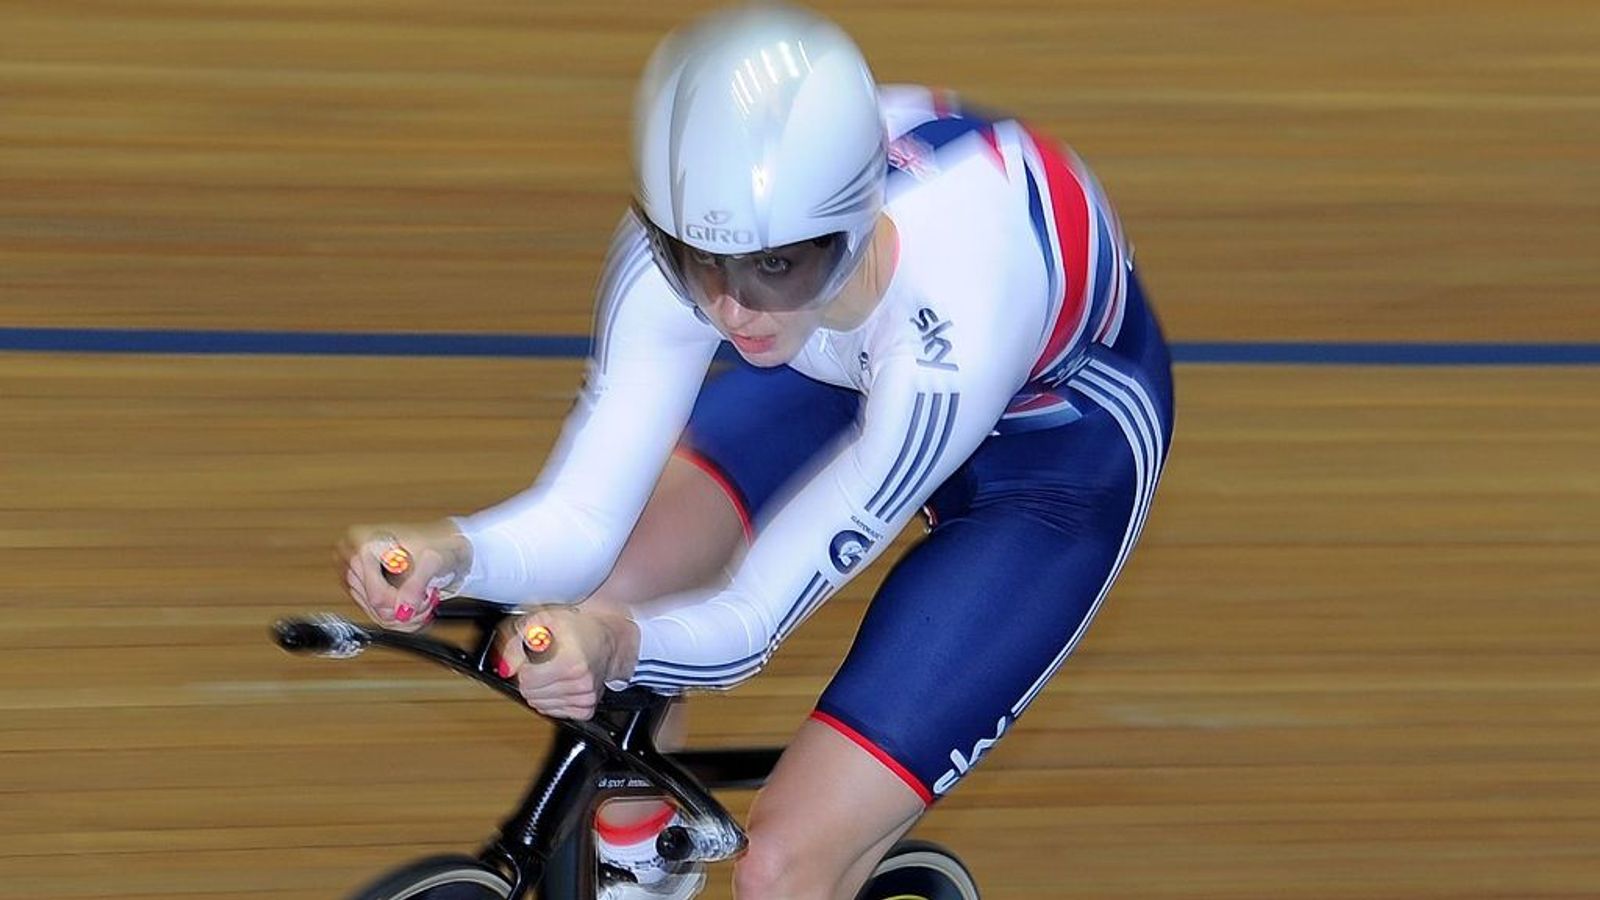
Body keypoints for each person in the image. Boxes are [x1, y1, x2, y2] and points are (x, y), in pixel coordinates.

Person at [340, 3, 1174, 898]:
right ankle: (644, 862)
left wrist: (613, 645)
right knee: (616, 581)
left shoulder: (954, 323)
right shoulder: (707, 252)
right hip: (836, 356)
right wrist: (450, 552)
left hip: (1051, 463)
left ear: (851, 229)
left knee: (784, 863)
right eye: (703, 264)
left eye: (773, 266)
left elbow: (750, 620)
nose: (732, 311)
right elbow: (583, 517)